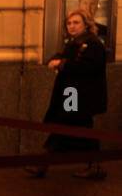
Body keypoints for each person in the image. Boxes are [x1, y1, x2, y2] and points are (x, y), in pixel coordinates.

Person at [27, 9, 109, 180]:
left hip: (80, 95)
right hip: (71, 94)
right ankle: (94, 166)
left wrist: (62, 63)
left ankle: (42, 164)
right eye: (69, 23)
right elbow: (61, 56)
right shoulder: (74, 43)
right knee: (79, 128)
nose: (71, 26)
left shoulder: (92, 43)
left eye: (76, 22)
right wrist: (55, 60)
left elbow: (86, 67)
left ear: (86, 24)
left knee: (65, 126)